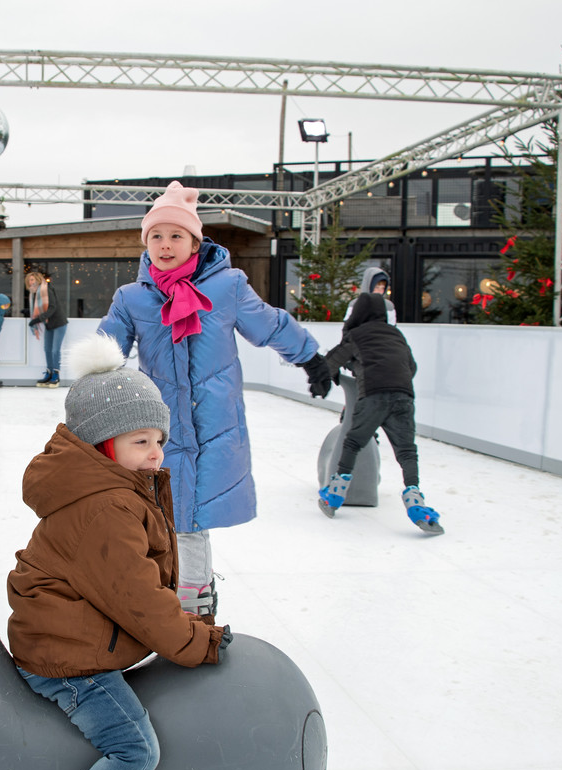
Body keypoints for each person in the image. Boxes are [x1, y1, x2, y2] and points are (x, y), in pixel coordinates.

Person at [8, 333, 231, 770]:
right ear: (102, 444)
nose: (156, 453)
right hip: (67, 661)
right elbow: (138, 599)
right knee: (136, 749)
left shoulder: (115, 490)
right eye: (140, 441)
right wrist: (196, 642)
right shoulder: (104, 506)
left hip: (72, 639)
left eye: (159, 440)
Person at [99, 181, 333, 615]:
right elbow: (106, 350)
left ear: (195, 242)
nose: (165, 245)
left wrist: (310, 358)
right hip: (161, 428)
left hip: (214, 425)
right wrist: (91, 388)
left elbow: (268, 324)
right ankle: (173, 597)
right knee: (163, 514)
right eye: (156, 236)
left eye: (176, 236)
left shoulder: (227, 286)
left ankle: (195, 603)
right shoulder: (132, 298)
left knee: (188, 517)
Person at [317, 291, 443, 534]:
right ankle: (416, 503)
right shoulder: (396, 334)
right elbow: (411, 367)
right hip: (404, 396)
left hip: (373, 395)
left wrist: (334, 376)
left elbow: (330, 362)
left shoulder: (356, 334)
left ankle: (334, 495)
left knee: (353, 442)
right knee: (406, 451)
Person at [27, 270, 68, 387]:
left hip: (59, 323)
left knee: (55, 350)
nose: (30, 282)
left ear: (38, 279)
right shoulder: (36, 293)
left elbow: (52, 308)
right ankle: (49, 373)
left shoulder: (46, 290)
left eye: (32, 279)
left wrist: (37, 320)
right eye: (29, 280)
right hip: (49, 324)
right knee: (47, 349)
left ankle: (56, 374)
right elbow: (39, 308)